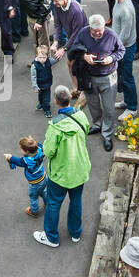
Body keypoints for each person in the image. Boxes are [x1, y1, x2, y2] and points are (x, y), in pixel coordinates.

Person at [34, 86, 91, 248]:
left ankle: (51, 237)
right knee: (76, 200)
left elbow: (49, 152)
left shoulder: (54, 126)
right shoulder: (81, 116)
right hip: (79, 169)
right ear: (70, 98)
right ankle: (75, 233)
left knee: (53, 202)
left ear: (56, 101)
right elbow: (85, 130)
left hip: (60, 173)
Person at [68, 14, 124, 151]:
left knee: (109, 108)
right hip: (89, 76)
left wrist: (111, 58)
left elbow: (121, 50)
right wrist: (84, 56)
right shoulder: (83, 33)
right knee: (93, 104)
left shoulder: (111, 35)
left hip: (108, 77)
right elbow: (73, 49)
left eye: (100, 32)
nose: (97, 34)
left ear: (104, 27)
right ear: (90, 29)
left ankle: (107, 134)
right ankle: (97, 124)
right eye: (94, 32)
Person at [110, 0, 139, 118]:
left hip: (125, 48)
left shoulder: (126, 9)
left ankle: (132, 108)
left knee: (127, 77)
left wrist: (113, 48)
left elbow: (125, 35)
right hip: (120, 46)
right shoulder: (118, 1)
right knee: (122, 75)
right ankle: (127, 101)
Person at [50, 0, 88, 89]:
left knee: (81, 67)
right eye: (53, 0)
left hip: (82, 41)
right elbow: (57, 24)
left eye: (56, 1)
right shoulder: (58, 7)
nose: (54, 3)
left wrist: (64, 49)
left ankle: (83, 92)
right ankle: (76, 89)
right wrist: (55, 41)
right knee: (70, 63)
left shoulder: (76, 10)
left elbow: (77, 34)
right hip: (72, 39)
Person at [6, 135, 48, 217]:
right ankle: (48, 203)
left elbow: (17, 161)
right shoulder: (39, 149)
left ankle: (34, 211)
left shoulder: (27, 161)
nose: (20, 150)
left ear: (26, 152)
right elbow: (38, 145)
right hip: (44, 177)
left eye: (21, 149)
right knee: (44, 191)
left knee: (34, 197)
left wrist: (9, 157)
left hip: (35, 183)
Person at [31, 42, 54, 117]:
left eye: (44, 58)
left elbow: (56, 60)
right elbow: (33, 77)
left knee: (46, 98)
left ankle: (47, 109)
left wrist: (58, 54)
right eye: (40, 57)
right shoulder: (34, 65)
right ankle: (40, 103)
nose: (42, 59)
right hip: (39, 85)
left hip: (47, 84)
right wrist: (35, 86)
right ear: (37, 55)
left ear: (47, 56)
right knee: (40, 96)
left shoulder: (49, 61)